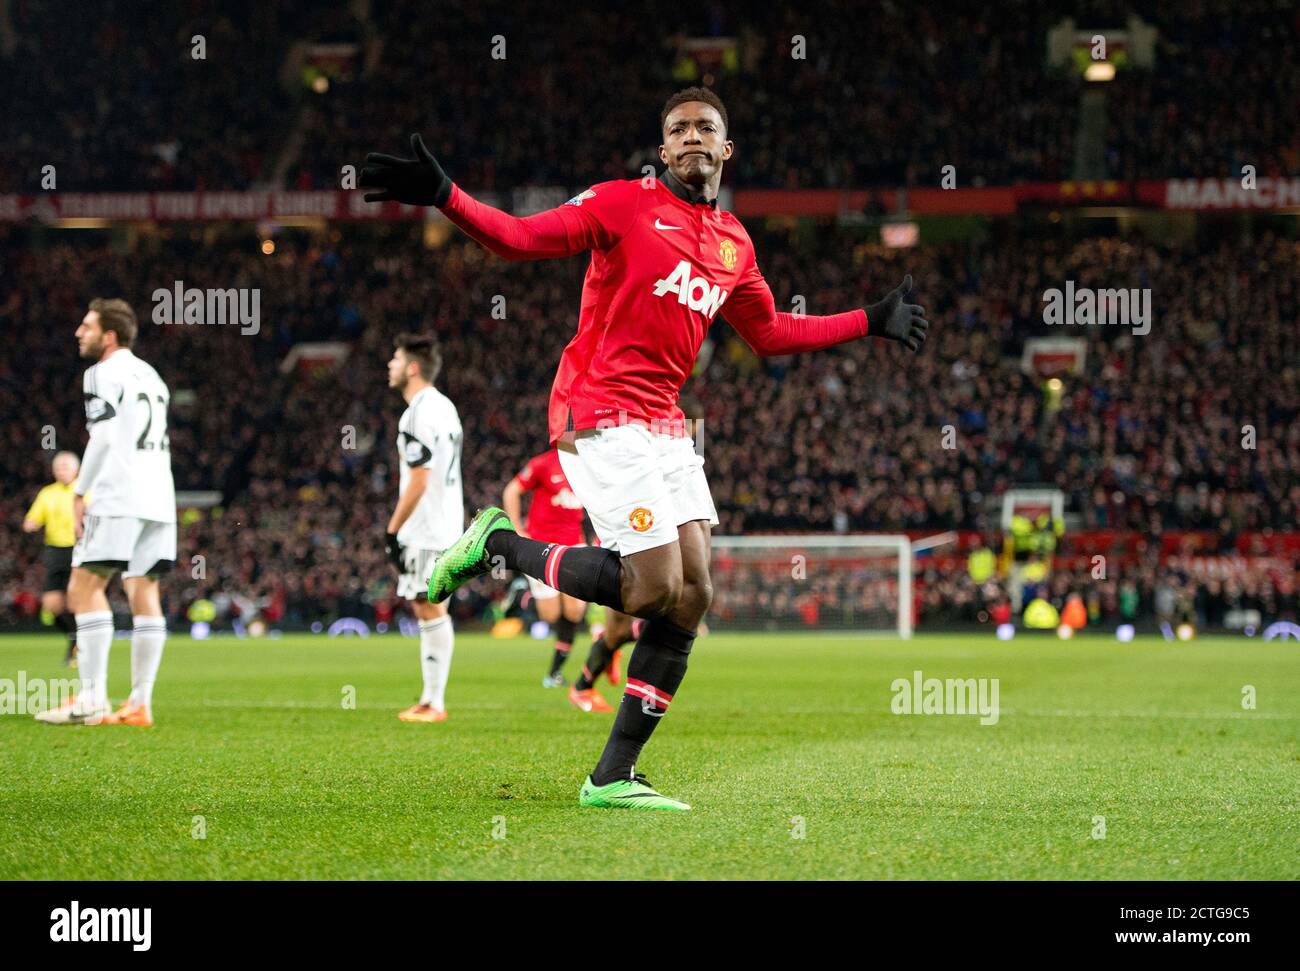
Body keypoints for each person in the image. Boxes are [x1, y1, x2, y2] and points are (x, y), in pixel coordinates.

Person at [362, 86, 929, 810]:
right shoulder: (621, 203)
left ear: (726, 149)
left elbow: (772, 334)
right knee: (652, 585)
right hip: (597, 407)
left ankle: (612, 777)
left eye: (707, 128)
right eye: (678, 128)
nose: (692, 136)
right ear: (664, 150)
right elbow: (521, 238)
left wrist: (870, 319)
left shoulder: (733, 243)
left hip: (664, 423)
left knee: (693, 595)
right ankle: (499, 543)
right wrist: (446, 194)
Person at [37, 299, 175, 727]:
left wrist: (80, 492)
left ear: (108, 335)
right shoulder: (151, 375)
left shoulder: (101, 372)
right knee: (143, 590)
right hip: (160, 496)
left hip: (119, 494)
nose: (79, 332)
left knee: (83, 588)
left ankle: (92, 698)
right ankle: (138, 703)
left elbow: (104, 436)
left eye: (87, 325)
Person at [502, 449, 638, 708]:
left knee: (574, 611)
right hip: (542, 546)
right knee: (550, 615)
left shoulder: (590, 464)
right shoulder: (543, 463)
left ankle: (554, 673)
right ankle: (520, 594)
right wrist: (517, 529)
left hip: (573, 546)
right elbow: (512, 490)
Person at [384, 334, 464, 724]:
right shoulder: (446, 407)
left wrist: (392, 530)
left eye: (395, 360)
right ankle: (432, 698)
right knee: (432, 605)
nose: (390, 366)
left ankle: (434, 702)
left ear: (412, 368)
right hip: (448, 522)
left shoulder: (417, 412)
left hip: (427, 526)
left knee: (426, 605)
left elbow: (419, 479)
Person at [22, 451, 82, 666]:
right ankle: (75, 636)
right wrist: (30, 524)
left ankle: (80, 645)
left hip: (79, 550)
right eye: (58, 467)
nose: (61, 470)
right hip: (55, 551)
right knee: (51, 604)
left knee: (76, 601)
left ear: (76, 469)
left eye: (66, 466)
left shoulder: (84, 490)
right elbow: (32, 518)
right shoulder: (47, 493)